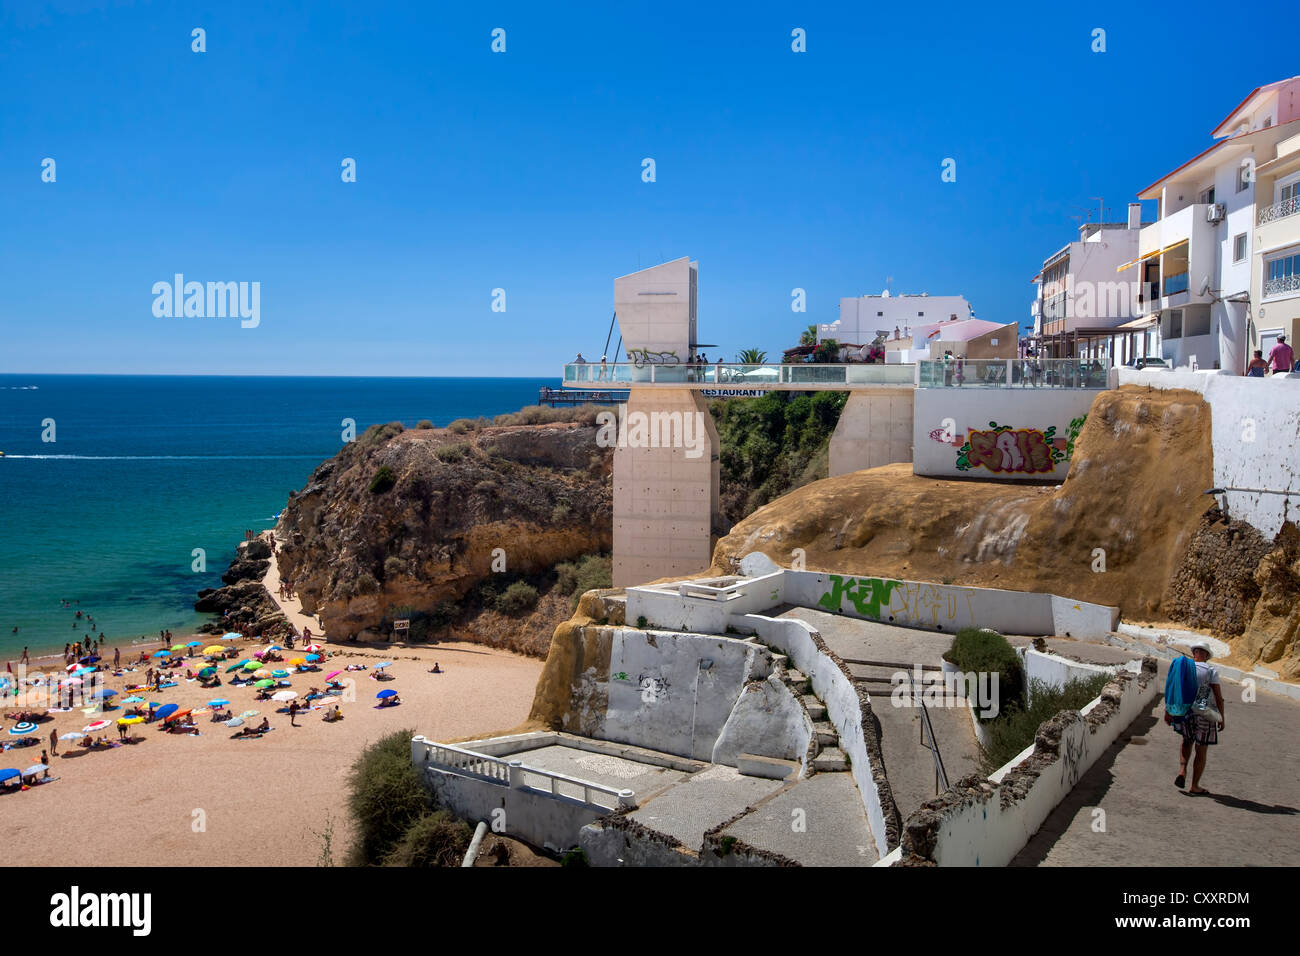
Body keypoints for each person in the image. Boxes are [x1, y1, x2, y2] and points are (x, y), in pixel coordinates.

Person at [1165, 640, 1225, 794]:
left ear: (1194, 653)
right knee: (1201, 749)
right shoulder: (1211, 671)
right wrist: (1221, 717)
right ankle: (1195, 786)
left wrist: (1168, 711)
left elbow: (1173, 688)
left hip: (1185, 712)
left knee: (1186, 741)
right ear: (1206, 655)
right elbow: (1218, 697)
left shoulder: (1184, 667)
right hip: (1203, 713)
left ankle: (1182, 771)